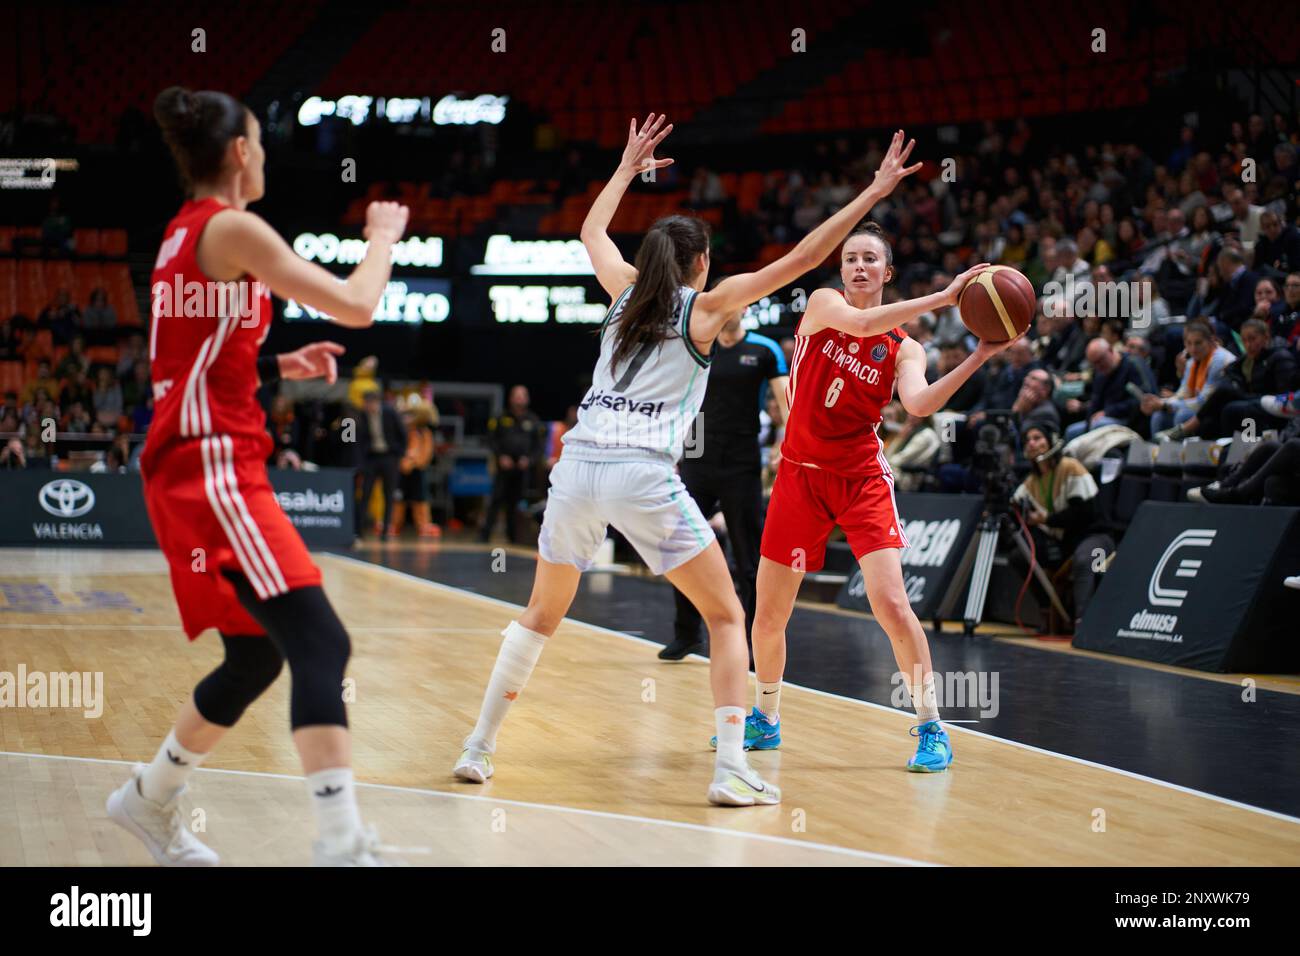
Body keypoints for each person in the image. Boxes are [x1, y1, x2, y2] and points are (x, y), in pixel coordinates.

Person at [454, 120, 924, 806]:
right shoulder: (704, 309)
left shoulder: (621, 292)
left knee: (538, 615)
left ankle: (478, 747)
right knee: (729, 618)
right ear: (701, 262)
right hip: (640, 473)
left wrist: (622, 171)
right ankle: (731, 767)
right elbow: (800, 257)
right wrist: (873, 192)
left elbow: (590, 235)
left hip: (576, 469)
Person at [105, 85, 410, 867]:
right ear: (240, 152)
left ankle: (147, 798)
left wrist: (275, 365)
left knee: (255, 657)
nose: (266, 154)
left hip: (190, 461)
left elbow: (188, 360)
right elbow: (355, 304)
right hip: (212, 466)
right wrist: (381, 238)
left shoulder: (182, 235)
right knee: (321, 642)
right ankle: (341, 844)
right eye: (260, 142)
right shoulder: (232, 226)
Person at [743, 218, 1009, 774]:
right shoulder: (823, 304)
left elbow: (919, 405)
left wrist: (979, 356)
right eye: (850, 259)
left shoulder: (905, 347)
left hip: (861, 478)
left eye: (870, 259)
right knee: (769, 615)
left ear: (888, 272)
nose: (858, 267)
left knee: (891, 603)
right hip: (798, 475)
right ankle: (765, 717)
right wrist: (943, 295)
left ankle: (933, 726)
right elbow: (862, 323)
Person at [660, 300, 789, 661]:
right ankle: (686, 635)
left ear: (743, 309)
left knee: (749, 557)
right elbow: (676, 399)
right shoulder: (701, 345)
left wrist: (785, 441)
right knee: (681, 545)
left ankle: (752, 643)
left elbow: (785, 400)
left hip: (741, 464)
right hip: (697, 459)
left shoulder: (765, 349)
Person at [1012, 424, 1115, 629]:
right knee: (1019, 557)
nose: (1031, 443)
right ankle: (1048, 610)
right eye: (1027, 440)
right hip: (1063, 542)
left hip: (1094, 536)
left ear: (1051, 440)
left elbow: (1084, 513)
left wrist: (1046, 520)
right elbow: (1013, 507)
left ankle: (1083, 622)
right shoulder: (1031, 481)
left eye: (1037, 437)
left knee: (1086, 559)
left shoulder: (1071, 466)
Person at [1146, 319, 1237, 439]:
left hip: (1217, 410)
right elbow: (1183, 393)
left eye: (1198, 343)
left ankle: (1182, 456)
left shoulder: (1219, 360)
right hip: (1200, 407)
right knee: (1159, 415)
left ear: (1210, 341)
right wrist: (1160, 403)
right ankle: (1159, 454)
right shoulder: (1192, 361)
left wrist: (1165, 405)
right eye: (1189, 343)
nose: (1193, 349)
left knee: (1183, 415)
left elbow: (1202, 402)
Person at [478, 384, 545, 543]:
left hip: (522, 469)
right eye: (517, 395)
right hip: (503, 467)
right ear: (511, 398)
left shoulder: (533, 421)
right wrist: (500, 456)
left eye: (523, 395)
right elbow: (491, 440)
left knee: (515, 504)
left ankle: (513, 537)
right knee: (495, 500)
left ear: (527, 399)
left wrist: (529, 459)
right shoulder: (500, 418)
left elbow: (539, 446)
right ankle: (485, 535)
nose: (520, 398)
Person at [354, 388, 405, 538]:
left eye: (367, 403)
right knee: (365, 493)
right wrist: (360, 459)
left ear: (375, 403)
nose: (365, 406)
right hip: (372, 458)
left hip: (389, 457)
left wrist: (399, 455)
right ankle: (359, 530)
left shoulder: (390, 412)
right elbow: (355, 437)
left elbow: (403, 434)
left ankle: (385, 531)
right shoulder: (361, 415)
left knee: (388, 494)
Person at [390, 396, 439, 538]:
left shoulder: (424, 433)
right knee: (398, 498)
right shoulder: (402, 431)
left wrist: (415, 463)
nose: (408, 418)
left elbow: (426, 453)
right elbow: (397, 449)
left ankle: (423, 525)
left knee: (420, 499)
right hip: (401, 470)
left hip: (418, 471)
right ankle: (393, 524)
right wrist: (403, 463)